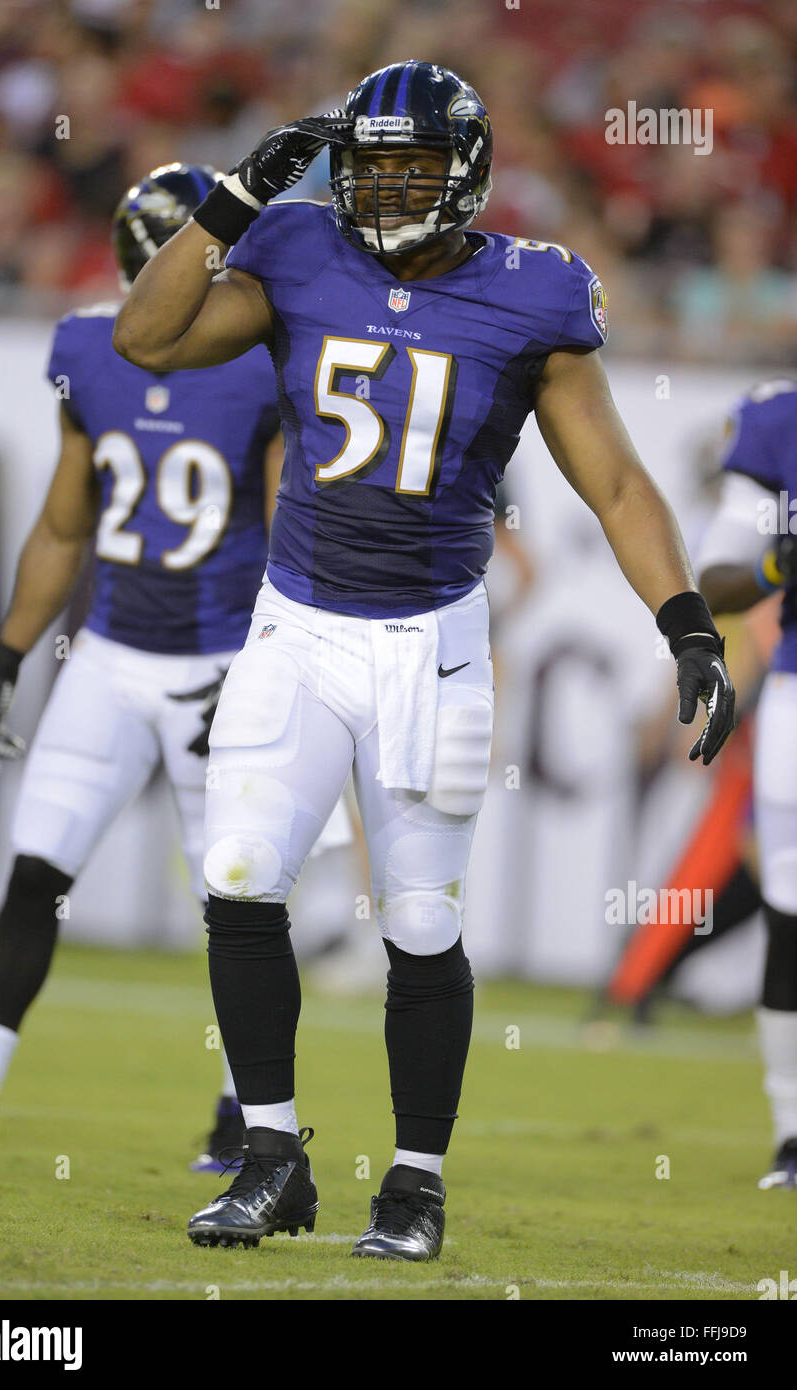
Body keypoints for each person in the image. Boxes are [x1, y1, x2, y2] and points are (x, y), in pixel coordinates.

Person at [114, 62, 736, 1262]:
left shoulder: (532, 292)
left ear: (462, 173)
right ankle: (270, 1155)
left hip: (429, 645)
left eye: (410, 164)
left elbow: (610, 477)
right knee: (240, 877)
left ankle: (412, 1181)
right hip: (295, 625)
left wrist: (684, 622)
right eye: (369, 162)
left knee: (417, 922)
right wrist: (238, 193)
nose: (385, 186)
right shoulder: (296, 250)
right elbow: (148, 337)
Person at [0, 164, 283, 1173]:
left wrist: (263, 668)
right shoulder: (87, 349)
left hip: (221, 659)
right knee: (36, 867)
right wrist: (8, 649)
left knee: (240, 901)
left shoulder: (261, 361)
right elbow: (61, 518)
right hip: (113, 653)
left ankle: (242, 1118)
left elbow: (291, 527)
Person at [697, 376, 797, 1189]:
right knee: (791, 915)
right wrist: (778, 560)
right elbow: (717, 576)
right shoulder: (779, 419)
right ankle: (793, 1132)